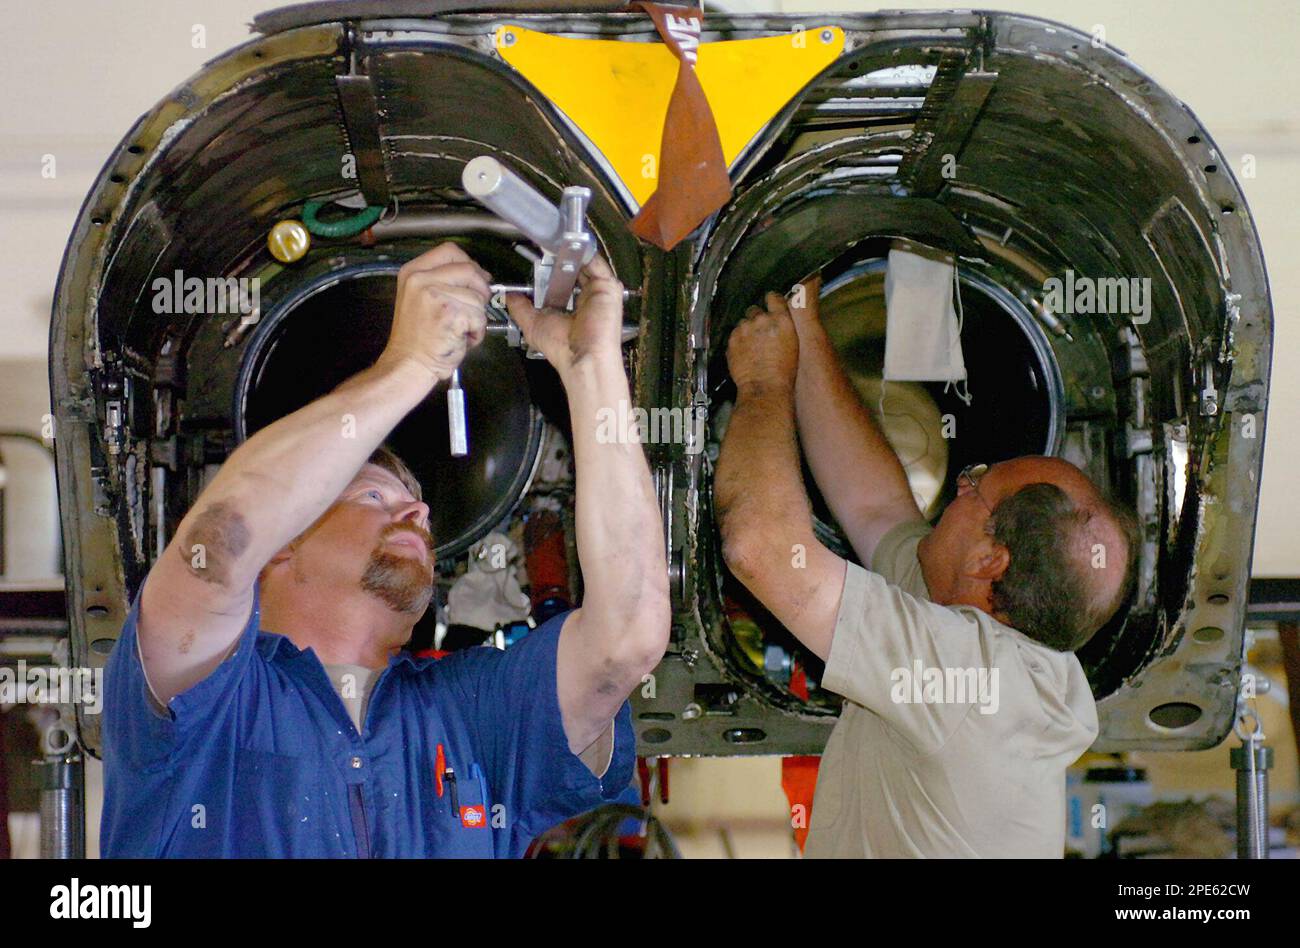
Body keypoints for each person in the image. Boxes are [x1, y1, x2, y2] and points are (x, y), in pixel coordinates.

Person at [101, 243, 670, 857]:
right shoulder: (210, 700)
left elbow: (627, 637)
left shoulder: (472, 716)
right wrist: (411, 364)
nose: (418, 512)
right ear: (281, 546)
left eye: (418, 506)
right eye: (373, 496)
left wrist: (591, 368)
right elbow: (221, 539)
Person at [714, 275, 1138, 858]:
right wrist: (805, 322)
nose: (963, 480)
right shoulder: (990, 639)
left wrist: (763, 383)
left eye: (978, 484)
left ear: (991, 560)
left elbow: (759, 548)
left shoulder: (966, 679)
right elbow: (876, 507)